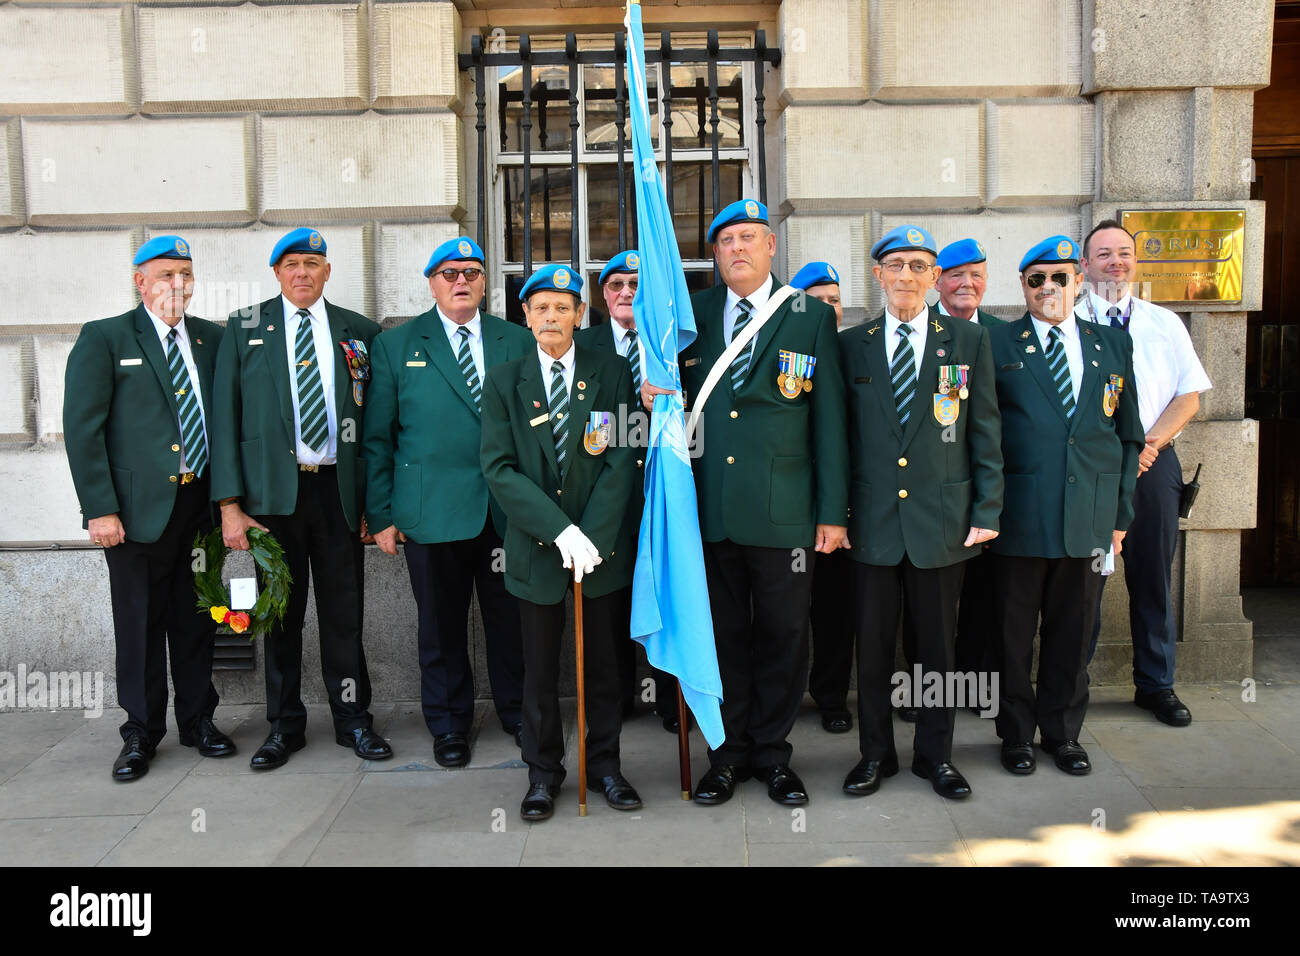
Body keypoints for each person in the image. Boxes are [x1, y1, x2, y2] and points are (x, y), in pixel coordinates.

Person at [679, 200, 849, 806]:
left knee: (783, 636)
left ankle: (774, 756)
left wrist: (833, 512)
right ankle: (725, 756)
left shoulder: (808, 315)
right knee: (721, 637)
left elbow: (828, 420)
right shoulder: (691, 314)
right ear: (715, 254)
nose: (737, 249)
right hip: (711, 510)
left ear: (772, 247)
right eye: (725, 241)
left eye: (749, 237)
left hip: (786, 512)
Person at [210, 227, 392, 770]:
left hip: (337, 490)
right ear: (276, 273)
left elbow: (376, 421)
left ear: (328, 271)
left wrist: (372, 503)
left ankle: (353, 720)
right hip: (271, 498)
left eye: (313, 263)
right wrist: (229, 505)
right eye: (291, 263)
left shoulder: (359, 330)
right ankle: (283, 726)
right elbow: (224, 420)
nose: (302, 273)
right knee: (279, 617)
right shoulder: (243, 327)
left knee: (345, 615)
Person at [837, 226, 1003, 800]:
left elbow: (984, 431)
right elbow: (837, 440)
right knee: (874, 646)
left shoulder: (967, 341)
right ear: (877, 274)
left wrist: (987, 507)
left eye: (918, 267)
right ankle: (874, 756)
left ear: (935, 278)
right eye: (895, 265)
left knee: (938, 649)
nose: (906, 276)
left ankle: (936, 757)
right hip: (873, 523)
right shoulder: (850, 345)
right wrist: (835, 515)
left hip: (943, 521)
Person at [65, 235, 235, 781]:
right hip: (135, 513)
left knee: (197, 619)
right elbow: (83, 430)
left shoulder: (213, 339)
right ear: (141, 282)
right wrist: (99, 509)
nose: (176, 284)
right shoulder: (106, 338)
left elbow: (229, 425)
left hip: (199, 505)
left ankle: (198, 720)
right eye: (165, 274)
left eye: (184, 273)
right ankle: (140, 733)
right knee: (139, 622)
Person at [480, 264, 641, 822]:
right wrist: (561, 531)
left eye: (562, 307)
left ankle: (606, 768)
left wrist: (590, 537)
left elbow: (622, 459)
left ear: (580, 315)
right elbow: (499, 469)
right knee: (540, 669)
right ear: (525, 317)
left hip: (600, 551)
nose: (552, 316)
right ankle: (543, 773)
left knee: (603, 667)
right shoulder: (504, 380)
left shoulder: (612, 372)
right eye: (540, 307)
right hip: (536, 549)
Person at [362, 237, 529, 768]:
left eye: (473, 272)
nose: (463, 281)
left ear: (484, 282)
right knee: (439, 624)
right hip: (429, 512)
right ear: (431, 282)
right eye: (451, 272)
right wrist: (383, 515)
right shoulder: (396, 345)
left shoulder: (516, 339)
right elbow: (378, 439)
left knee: (514, 621)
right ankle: (449, 723)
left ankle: (521, 712)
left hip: (506, 513)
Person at [989, 235, 1143, 776]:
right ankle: (1015, 734)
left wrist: (1120, 517)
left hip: (1090, 519)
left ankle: (1062, 732)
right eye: (1036, 280)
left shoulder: (1111, 345)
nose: (1048, 287)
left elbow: (1127, 436)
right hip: (1020, 519)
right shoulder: (998, 344)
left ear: (1080, 279)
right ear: (1024, 288)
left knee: (1073, 630)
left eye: (1059, 277)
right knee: (1011, 635)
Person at [1077, 220, 1212, 727]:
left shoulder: (1164, 323)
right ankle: (1073, 685)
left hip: (1154, 466)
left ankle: (1156, 686)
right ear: (1085, 265)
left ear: (1136, 262)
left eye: (1125, 253)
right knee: (1087, 579)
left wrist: (1147, 445)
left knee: (1152, 576)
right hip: (1090, 470)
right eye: (1104, 254)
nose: (1116, 262)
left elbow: (1190, 394)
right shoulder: (1070, 321)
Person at [577, 249, 681, 732]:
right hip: (602, 493)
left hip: (662, 486)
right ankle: (615, 697)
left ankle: (669, 699)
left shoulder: (673, 343)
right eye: (616, 284)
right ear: (603, 294)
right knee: (609, 598)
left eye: (636, 284)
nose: (626, 293)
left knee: (666, 592)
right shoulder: (584, 343)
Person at [935, 238, 1005, 678]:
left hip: (989, 487)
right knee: (930, 602)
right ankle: (927, 686)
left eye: (976, 274)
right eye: (957, 275)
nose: (967, 283)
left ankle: (975, 678)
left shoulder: (1004, 335)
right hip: (936, 492)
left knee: (987, 592)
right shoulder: (916, 331)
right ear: (937, 281)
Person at [790, 261, 854, 735]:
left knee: (836, 612)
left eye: (834, 299)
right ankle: (786, 698)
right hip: (791, 506)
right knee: (786, 617)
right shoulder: (789, 348)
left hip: (841, 507)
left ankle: (831, 695)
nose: (829, 307)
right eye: (817, 299)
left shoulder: (856, 348)